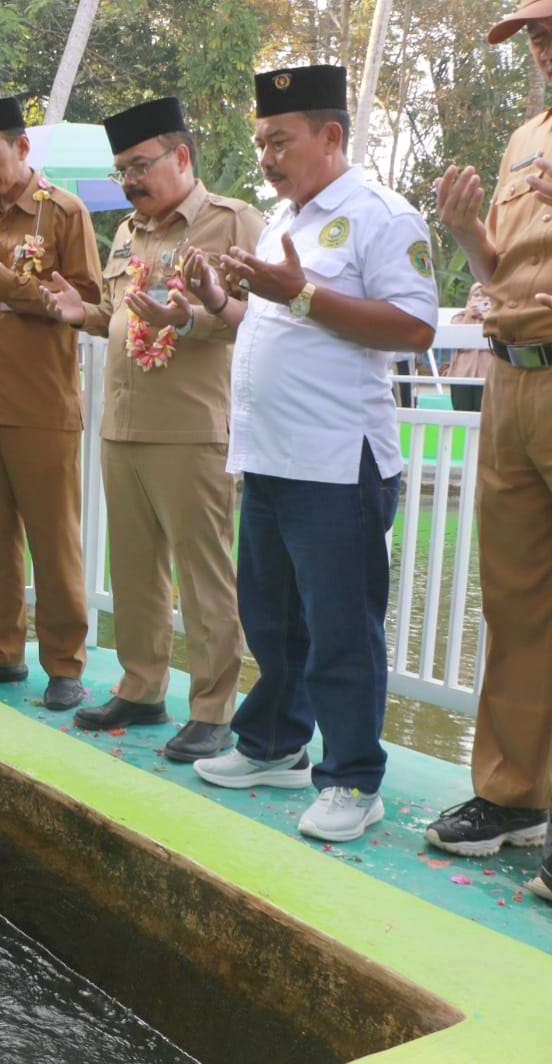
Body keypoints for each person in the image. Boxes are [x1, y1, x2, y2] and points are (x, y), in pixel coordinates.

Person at [190, 66, 438, 844]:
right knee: (270, 618)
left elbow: (414, 327)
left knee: (341, 628)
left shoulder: (380, 215)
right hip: (268, 456)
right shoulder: (279, 221)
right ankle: (274, 746)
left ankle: (353, 779)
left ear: (330, 137)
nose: (266, 155)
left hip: (338, 464)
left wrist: (298, 293)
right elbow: (269, 323)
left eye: (281, 139)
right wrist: (215, 303)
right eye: (260, 141)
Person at [40, 97, 263, 761]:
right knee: (135, 572)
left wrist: (191, 318)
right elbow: (118, 313)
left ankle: (212, 709)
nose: (131, 181)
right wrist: (76, 309)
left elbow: (263, 317)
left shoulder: (232, 223)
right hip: (125, 426)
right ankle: (141, 688)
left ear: (182, 157)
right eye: (122, 172)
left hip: (193, 428)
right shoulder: (126, 234)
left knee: (204, 576)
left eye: (140, 165)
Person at [424, 2, 552, 870]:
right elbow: (499, 270)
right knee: (512, 603)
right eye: (536, 33)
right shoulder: (524, 138)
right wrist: (471, 234)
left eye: (550, 26)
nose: (542, 44)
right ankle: (514, 797)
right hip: (510, 377)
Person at [0, 95, 103, 709]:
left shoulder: (65, 213)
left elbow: (83, 304)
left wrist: (2, 282)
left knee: (53, 541)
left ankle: (64, 664)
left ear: (22, 148)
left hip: (42, 404)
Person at [444, 283, 492, 413]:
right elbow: (458, 340)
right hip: (461, 374)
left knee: (484, 412)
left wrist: (488, 317)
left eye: (485, 296)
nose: (480, 299)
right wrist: (469, 316)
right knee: (461, 411)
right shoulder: (459, 317)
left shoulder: (495, 318)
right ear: (469, 300)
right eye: (476, 296)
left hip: (486, 375)